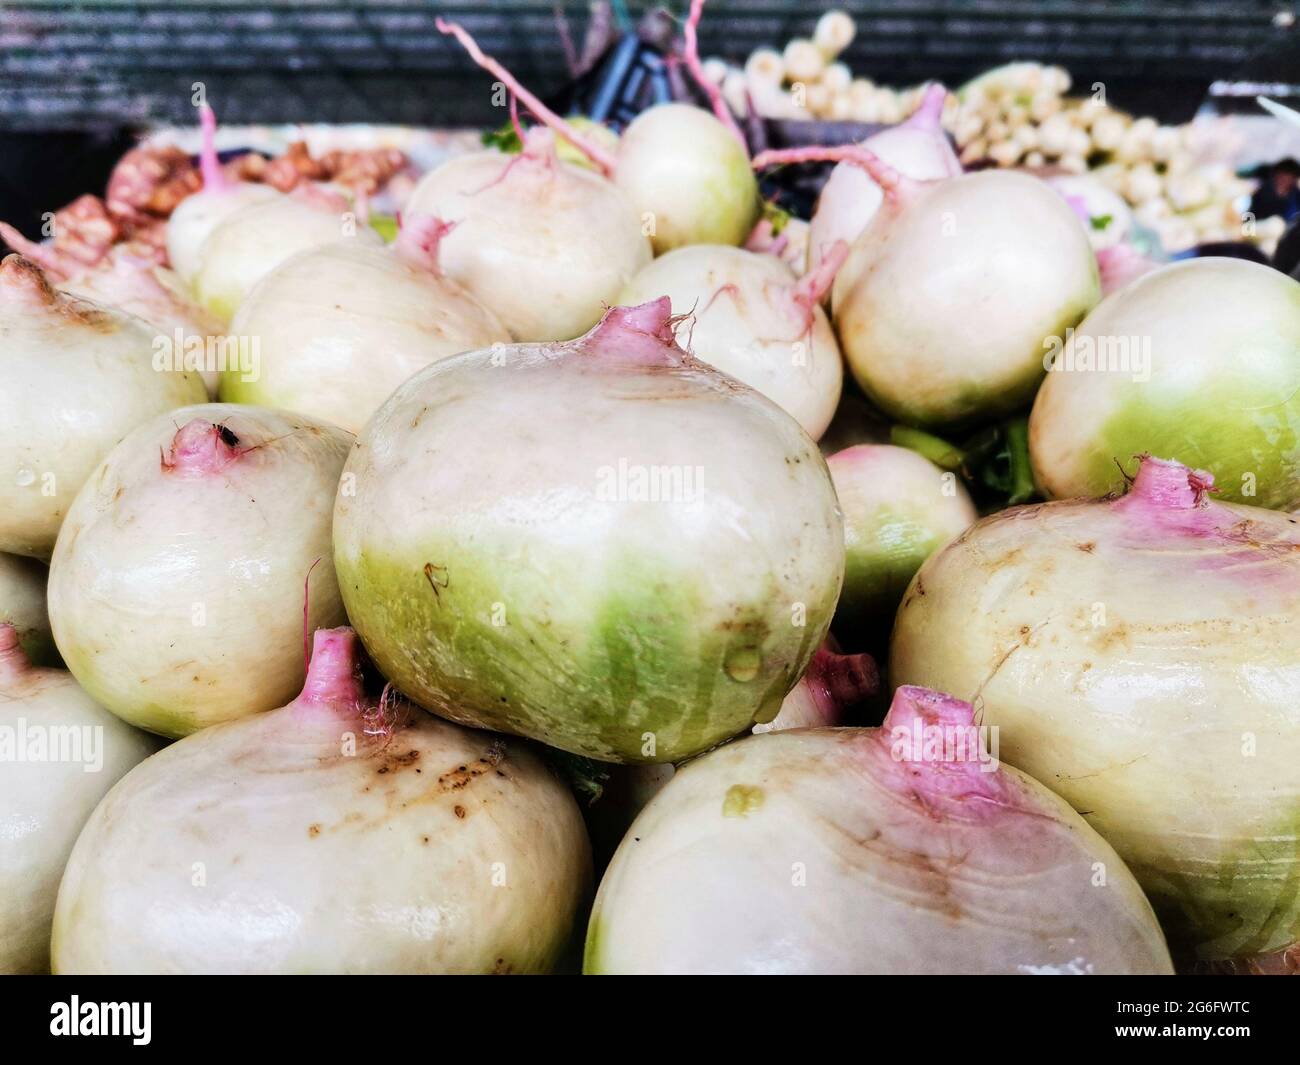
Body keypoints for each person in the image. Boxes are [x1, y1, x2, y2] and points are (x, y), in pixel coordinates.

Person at [1251, 158, 1300, 222]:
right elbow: (1250, 214)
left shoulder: (1296, 197)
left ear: (1294, 179)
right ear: (1275, 175)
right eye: (1281, 176)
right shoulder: (1261, 192)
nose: (1284, 180)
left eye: (1288, 177)